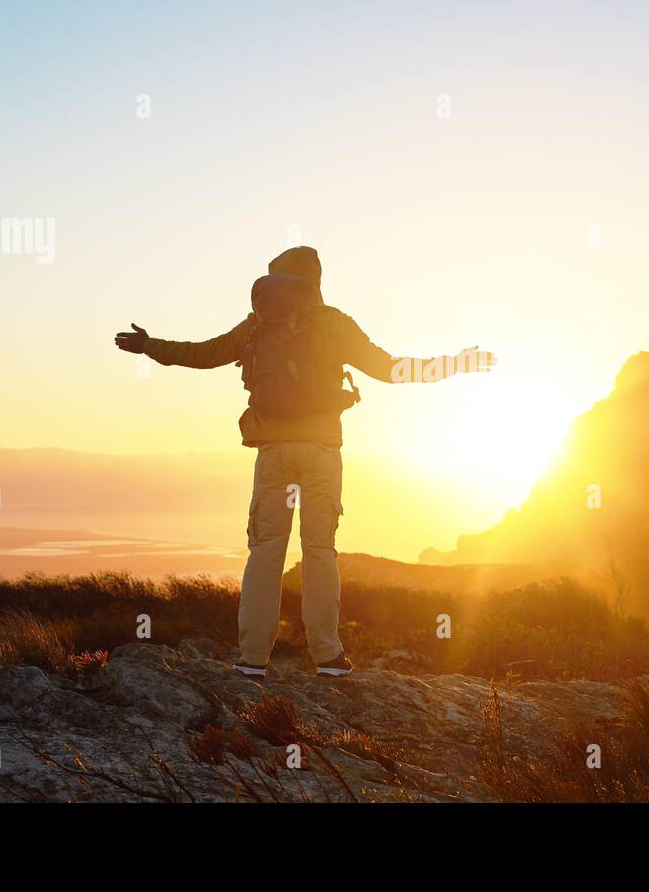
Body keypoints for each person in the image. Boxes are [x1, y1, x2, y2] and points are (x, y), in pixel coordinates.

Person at [115, 246, 495, 677]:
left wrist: (149, 346)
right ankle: (328, 657)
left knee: (265, 551)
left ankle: (253, 659)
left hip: (274, 452)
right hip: (321, 453)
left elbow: (205, 354)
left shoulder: (258, 324)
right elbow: (391, 369)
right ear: (315, 280)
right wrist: (456, 364)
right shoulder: (335, 324)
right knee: (319, 551)